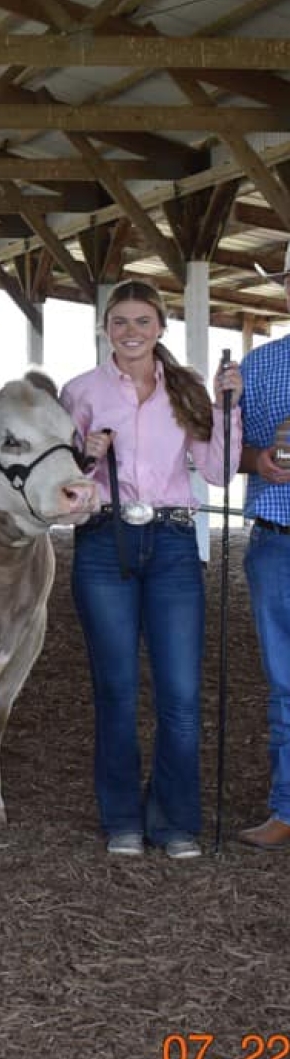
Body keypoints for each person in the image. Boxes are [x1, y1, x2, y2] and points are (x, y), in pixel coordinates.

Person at [59, 279, 242, 860]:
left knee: (181, 694)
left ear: (161, 327)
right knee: (115, 690)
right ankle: (122, 821)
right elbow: (68, 487)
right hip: (104, 541)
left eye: (142, 321)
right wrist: (88, 456)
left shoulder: (186, 389)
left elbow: (217, 471)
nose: (131, 332)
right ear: (105, 328)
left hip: (170, 541)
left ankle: (175, 820)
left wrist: (226, 409)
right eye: (120, 322)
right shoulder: (81, 391)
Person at [236, 243, 290, 851]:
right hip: (278, 539)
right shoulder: (259, 366)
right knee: (284, 683)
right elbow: (229, 454)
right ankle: (287, 806)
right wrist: (261, 460)